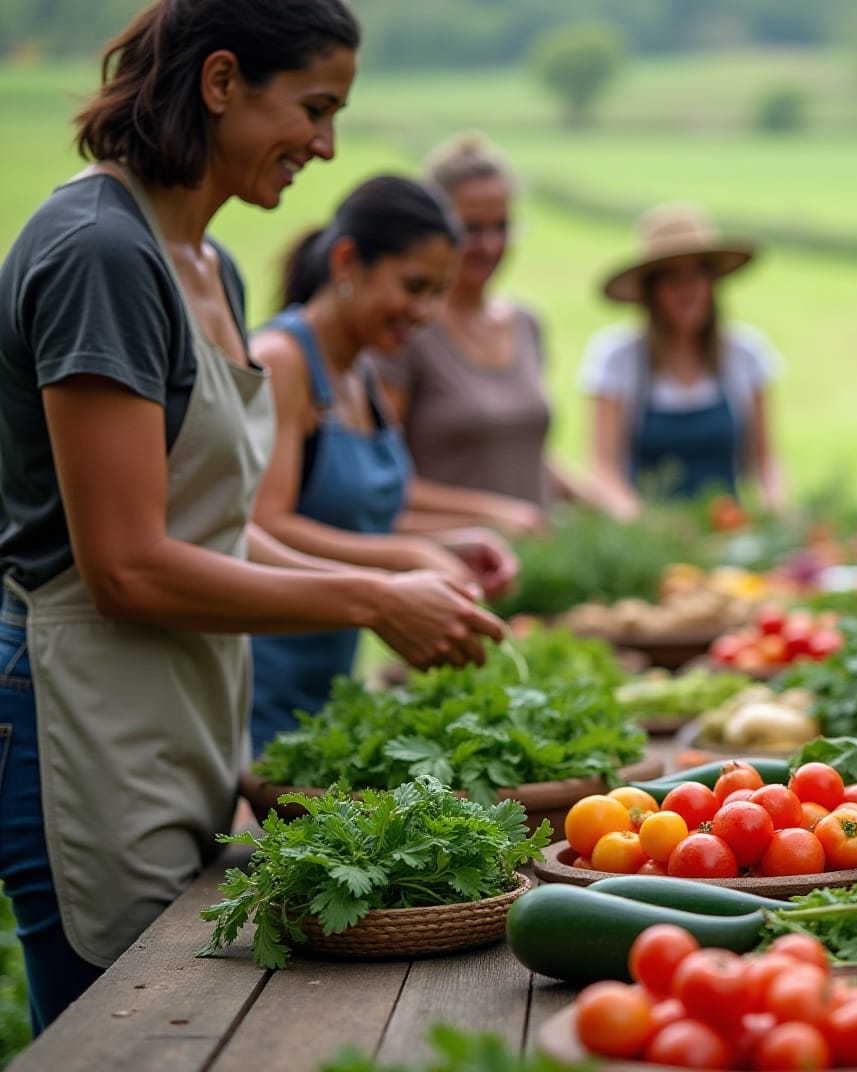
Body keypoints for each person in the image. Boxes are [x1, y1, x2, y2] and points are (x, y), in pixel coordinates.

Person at [0, 0, 503, 1029]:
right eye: (315, 108)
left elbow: (219, 525)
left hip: (181, 702)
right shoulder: (101, 253)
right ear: (220, 82)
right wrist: (370, 594)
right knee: (119, 1035)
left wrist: (408, 567)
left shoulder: (210, 266)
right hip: (78, 704)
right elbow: (127, 568)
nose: (326, 146)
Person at [248, 175, 520, 755]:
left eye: (438, 292)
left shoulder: (361, 371)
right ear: (349, 262)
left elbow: (348, 520)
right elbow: (262, 525)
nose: (424, 312)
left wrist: (452, 542)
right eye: (414, 286)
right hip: (262, 687)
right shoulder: (281, 363)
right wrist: (406, 559)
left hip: (333, 685)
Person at [372, 134, 584, 527]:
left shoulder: (526, 323)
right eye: (472, 229)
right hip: (446, 565)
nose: (489, 245)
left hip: (535, 564)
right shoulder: (406, 331)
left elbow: (522, 452)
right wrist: (493, 515)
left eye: (501, 227)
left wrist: (611, 506)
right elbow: (378, 480)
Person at [581, 202, 785, 519]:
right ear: (651, 289)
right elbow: (602, 468)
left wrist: (775, 511)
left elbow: (764, 460)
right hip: (649, 534)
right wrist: (639, 520)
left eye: (697, 276)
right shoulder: (618, 358)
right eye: (673, 279)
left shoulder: (745, 354)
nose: (686, 291)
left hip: (728, 530)